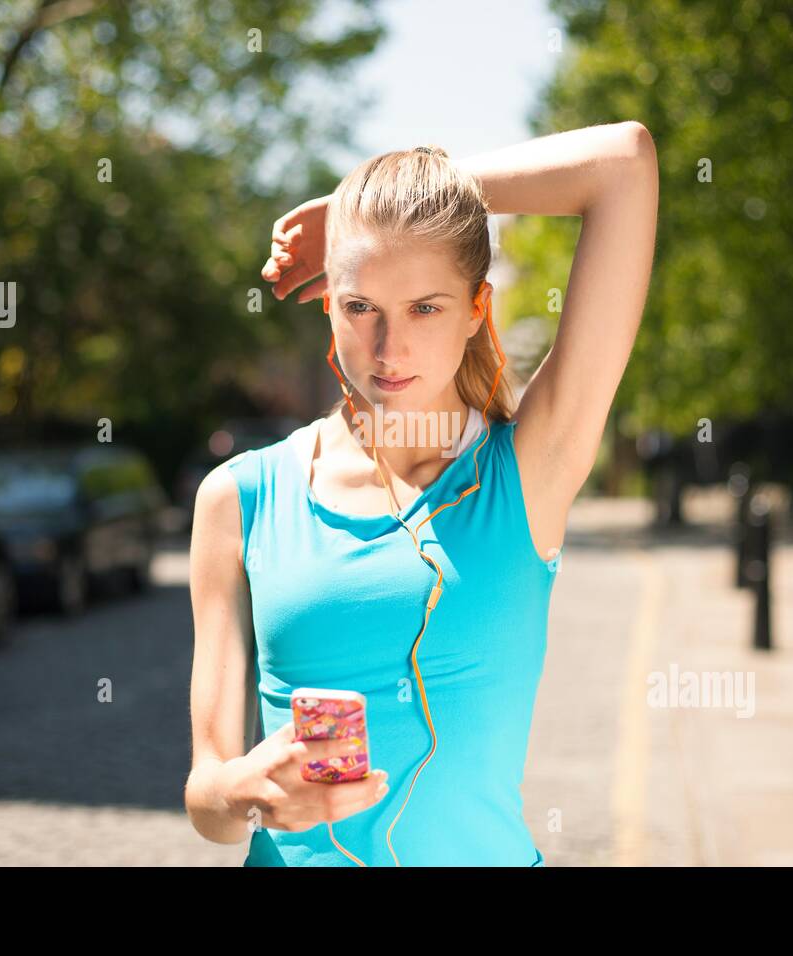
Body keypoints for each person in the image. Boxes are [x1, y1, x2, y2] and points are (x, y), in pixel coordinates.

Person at [184, 122, 659, 866]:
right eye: (361, 306)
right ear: (328, 306)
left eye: (425, 307)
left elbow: (625, 165)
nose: (388, 348)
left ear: (477, 309)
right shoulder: (238, 499)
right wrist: (246, 789)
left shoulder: (528, 472)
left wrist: (411, 197)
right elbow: (206, 798)